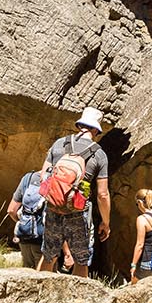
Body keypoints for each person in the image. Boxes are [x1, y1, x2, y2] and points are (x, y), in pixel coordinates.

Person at [37, 107, 111, 277]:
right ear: (95, 129)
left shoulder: (59, 143)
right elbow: (103, 194)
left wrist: (56, 197)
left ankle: (37, 295)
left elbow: (43, 176)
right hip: (78, 211)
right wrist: (105, 222)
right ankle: (79, 301)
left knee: (49, 255)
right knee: (81, 259)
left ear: (80, 125)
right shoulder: (99, 154)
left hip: (53, 207)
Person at [7, 170, 45, 270]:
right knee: (45, 278)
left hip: (24, 237)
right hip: (43, 240)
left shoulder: (27, 178)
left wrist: (24, 223)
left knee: (27, 274)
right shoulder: (55, 180)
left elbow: (11, 210)